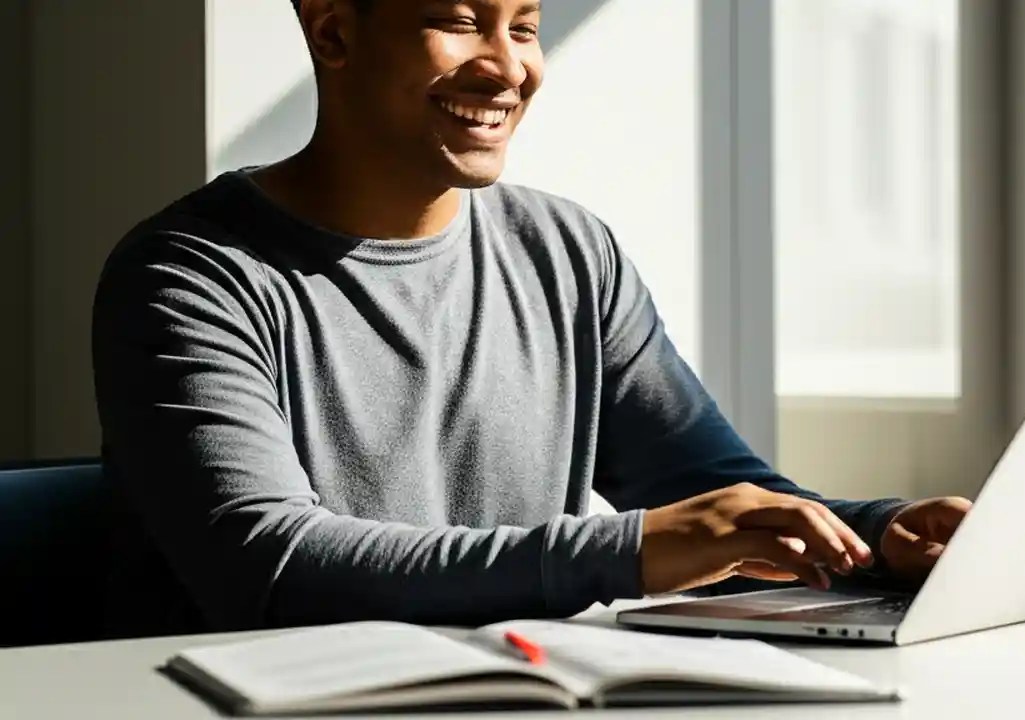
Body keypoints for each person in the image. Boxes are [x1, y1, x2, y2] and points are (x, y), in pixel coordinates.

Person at [92, 0, 972, 637]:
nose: (508, 67)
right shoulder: (190, 274)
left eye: (523, 24)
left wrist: (881, 536)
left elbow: (706, 488)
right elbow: (269, 566)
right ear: (333, 31)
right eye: (461, 20)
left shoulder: (568, 250)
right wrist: (620, 552)